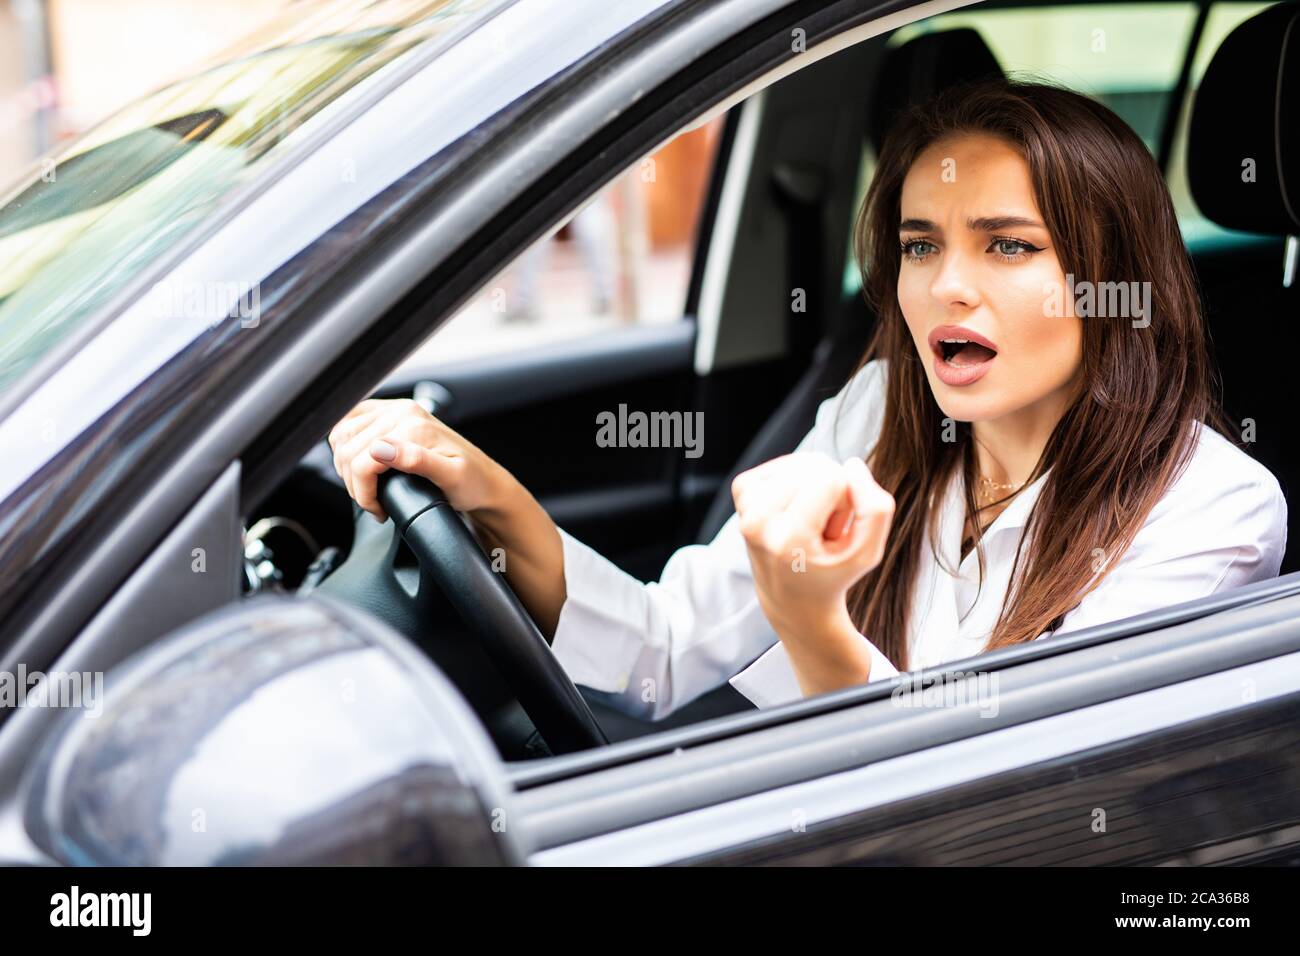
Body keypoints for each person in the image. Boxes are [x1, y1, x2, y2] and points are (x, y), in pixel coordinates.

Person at [326, 79, 1287, 722]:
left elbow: (1009, 806)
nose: (947, 287)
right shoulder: (881, 412)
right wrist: (482, 488)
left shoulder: (1213, 510)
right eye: (920, 246)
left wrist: (814, 627)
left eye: (1008, 246)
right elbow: (662, 651)